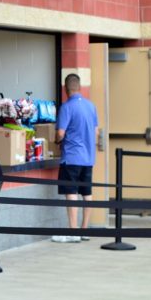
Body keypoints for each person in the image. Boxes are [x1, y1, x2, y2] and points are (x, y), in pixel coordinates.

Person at [52, 73, 99, 243]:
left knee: (71, 193)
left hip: (71, 157)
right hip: (88, 158)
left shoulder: (66, 107)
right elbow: (96, 132)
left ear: (65, 89)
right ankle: (85, 230)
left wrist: (56, 140)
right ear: (79, 87)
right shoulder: (91, 106)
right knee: (87, 193)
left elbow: (60, 133)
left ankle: (73, 232)